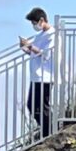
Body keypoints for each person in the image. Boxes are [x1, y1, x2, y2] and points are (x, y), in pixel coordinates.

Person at [18, 8, 57, 138]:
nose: (34, 26)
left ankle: (50, 131)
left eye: (35, 22)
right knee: (32, 105)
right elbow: (35, 52)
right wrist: (26, 48)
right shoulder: (40, 35)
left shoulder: (53, 34)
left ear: (42, 20)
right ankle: (47, 130)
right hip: (36, 76)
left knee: (42, 105)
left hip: (46, 75)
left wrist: (30, 46)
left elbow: (46, 53)